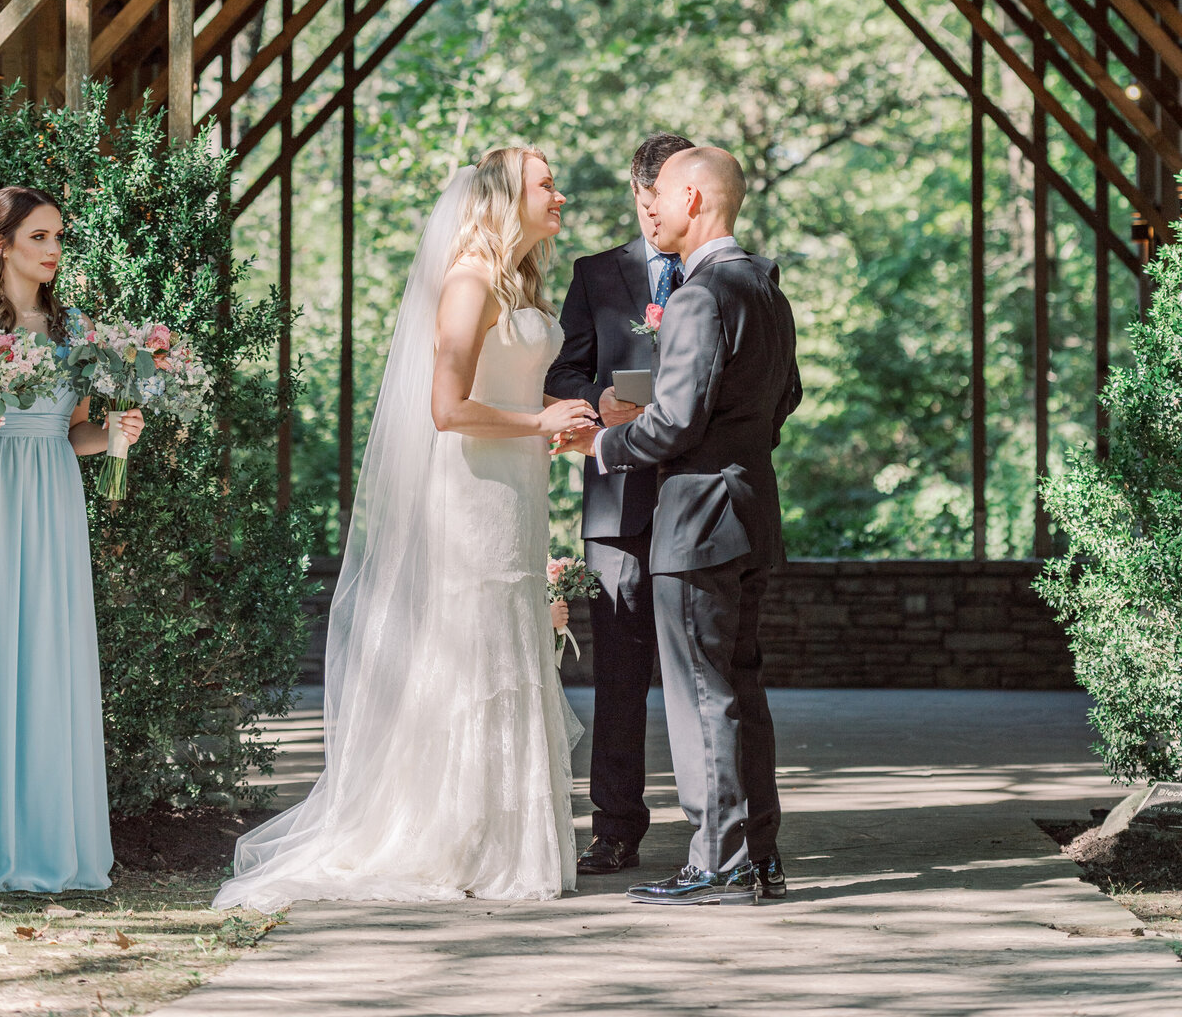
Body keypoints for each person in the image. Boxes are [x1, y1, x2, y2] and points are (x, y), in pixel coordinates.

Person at [214, 147, 597, 910]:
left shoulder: (521, 280)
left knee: (508, 644)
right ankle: (451, 837)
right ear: (503, 197)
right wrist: (538, 420)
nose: (560, 193)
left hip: (517, 490)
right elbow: (446, 408)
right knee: (473, 652)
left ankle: (503, 843)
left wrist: (575, 420)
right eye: (545, 183)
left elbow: (516, 391)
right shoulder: (467, 279)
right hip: (473, 495)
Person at [557, 147, 799, 906]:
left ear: (694, 198)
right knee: (738, 690)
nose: (648, 206)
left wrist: (599, 441)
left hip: (695, 520)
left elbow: (674, 422)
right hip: (750, 511)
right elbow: (781, 400)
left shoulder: (699, 294)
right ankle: (758, 857)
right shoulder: (763, 287)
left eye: (657, 193)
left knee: (702, 697)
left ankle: (716, 862)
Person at [0, 186, 144, 893]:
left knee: (46, 651)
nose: (53, 250)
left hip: (50, 497)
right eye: (39, 237)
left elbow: (71, 428)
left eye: (57, 238)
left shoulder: (73, 328)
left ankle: (50, 839)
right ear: (1, 244)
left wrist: (112, 436)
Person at [544, 131, 694, 875]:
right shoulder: (596, 276)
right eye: (649, 196)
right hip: (617, 500)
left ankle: (718, 832)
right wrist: (593, 401)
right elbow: (561, 372)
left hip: (700, 499)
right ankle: (615, 827)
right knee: (620, 674)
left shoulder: (731, 271)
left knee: (705, 671)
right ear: (640, 194)